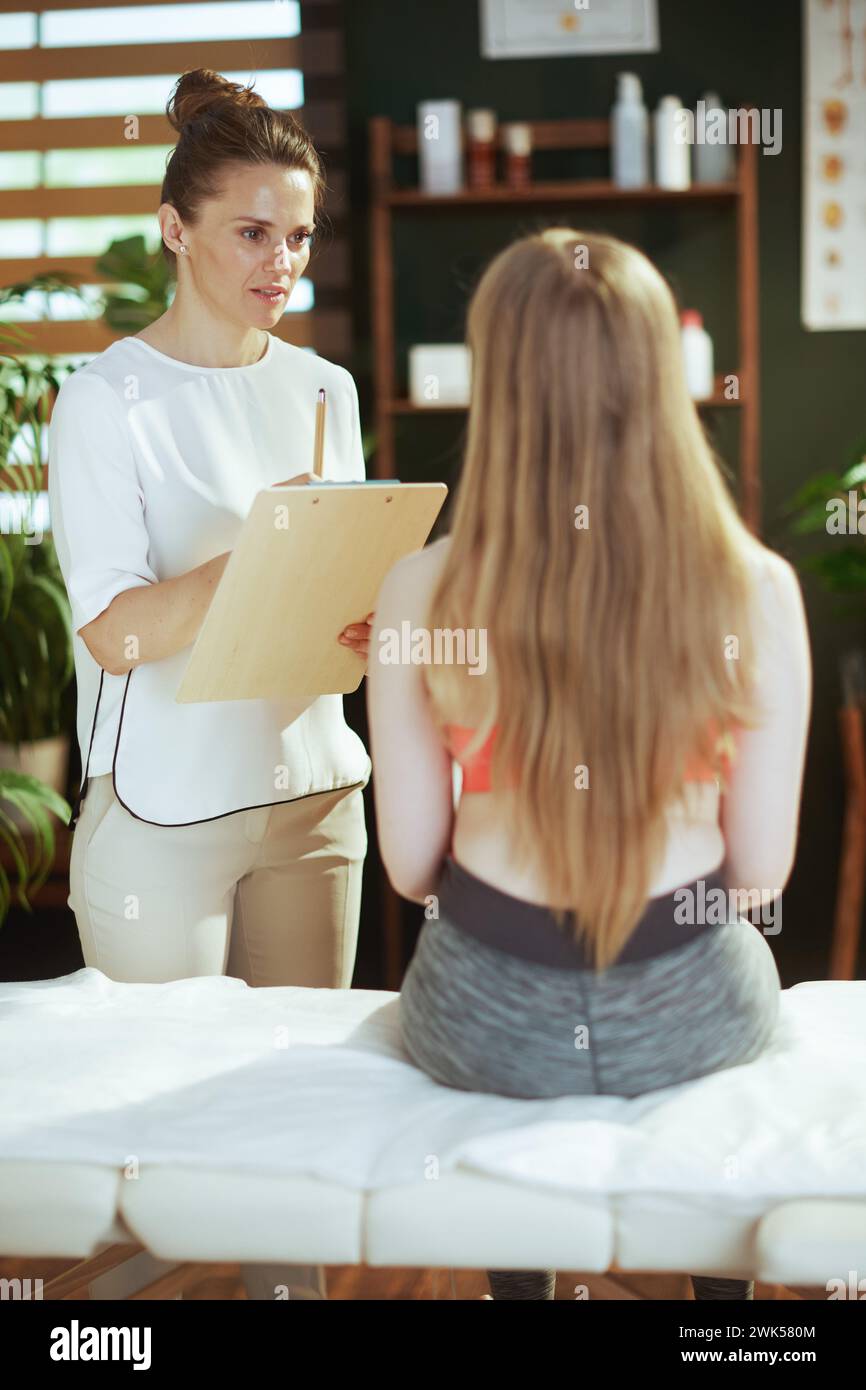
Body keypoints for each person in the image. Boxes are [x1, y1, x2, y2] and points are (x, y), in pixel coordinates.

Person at [366, 228, 812, 1301]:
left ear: (498, 382)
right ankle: (724, 1317)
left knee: (511, 1132)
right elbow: (756, 875)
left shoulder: (416, 594)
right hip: (693, 1003)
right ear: (660, 376)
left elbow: (411, 870)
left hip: (482, 1008)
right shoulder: (753, 590)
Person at [47, 68, 373, 1301]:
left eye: (296, 236)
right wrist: (262, 559)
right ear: (177, 229)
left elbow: (340, 617)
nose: (279, 260)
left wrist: (361, 608)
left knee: (292, 1143)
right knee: (165, 1163)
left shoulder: (324, 391)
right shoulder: (104, 399)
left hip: (313, 799)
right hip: (163, 818)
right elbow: (111, 633)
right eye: (251, 231)